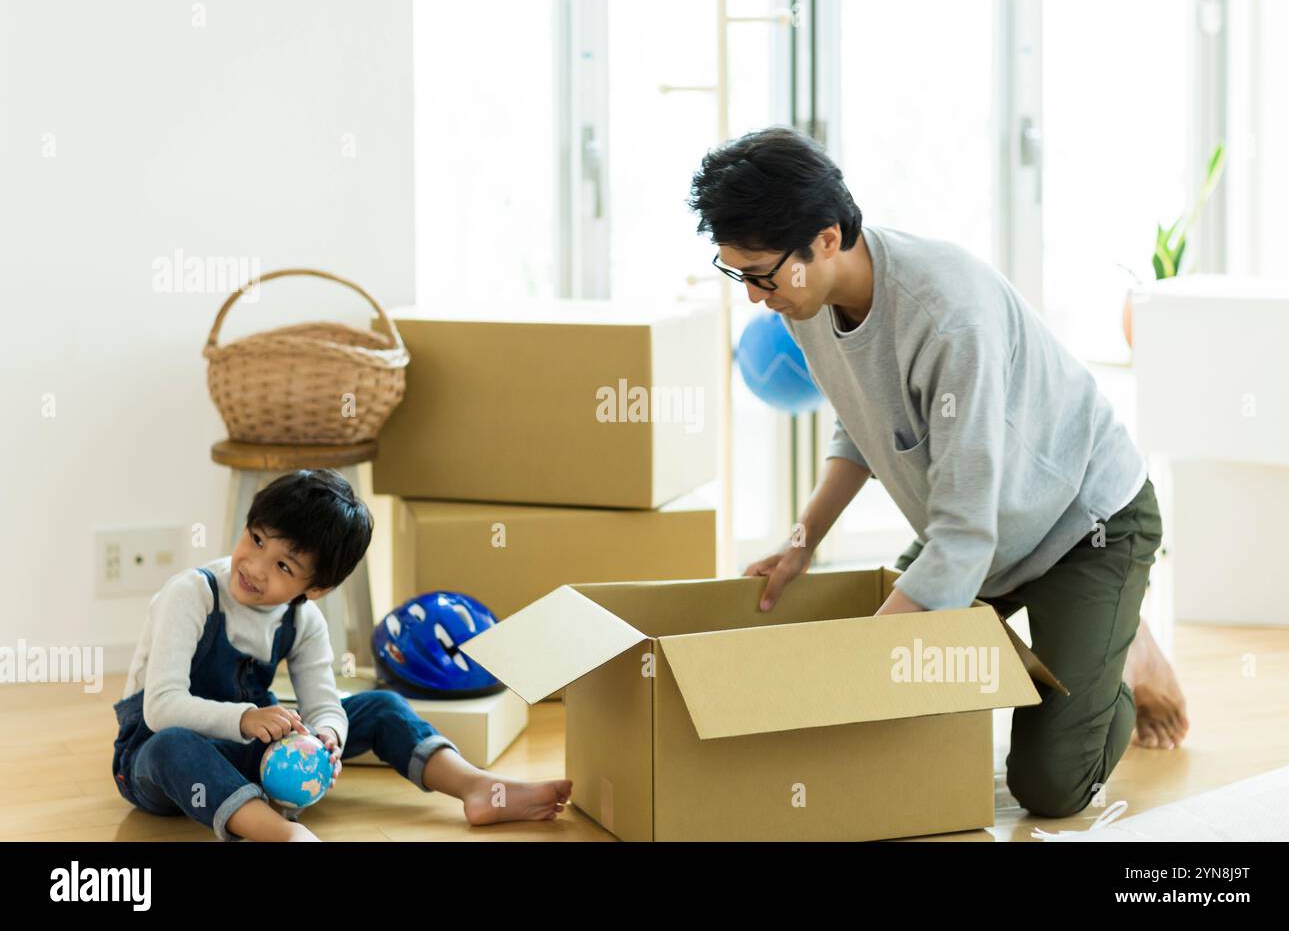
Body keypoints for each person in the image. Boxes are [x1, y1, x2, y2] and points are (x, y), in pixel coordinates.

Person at [688, 125, 1189, 819]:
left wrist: (864, 668)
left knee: (1050, 788)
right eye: (738, 275)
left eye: (761, 275)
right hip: (980, 521)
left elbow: (961, 538)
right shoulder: (806, 301)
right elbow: (860, 423)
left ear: (826, 239)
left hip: (1085, 525)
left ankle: (1122, 650)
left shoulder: (947, 316)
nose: (753, 297)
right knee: (888, 679)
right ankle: (1094, 641)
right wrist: (801, 539)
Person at [111, 468, 571, 841]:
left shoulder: (303, 621)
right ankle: (278, 834)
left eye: (283, 566)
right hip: (154, 761)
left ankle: (474, 787)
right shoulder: (193, 595)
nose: (254, 567)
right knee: (174, 744)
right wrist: (249, 718)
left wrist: (328, 737)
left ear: (316, 588)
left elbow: (325, 705)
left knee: (382, 706)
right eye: (255, 539)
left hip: (248, 750)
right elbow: (161, 708)